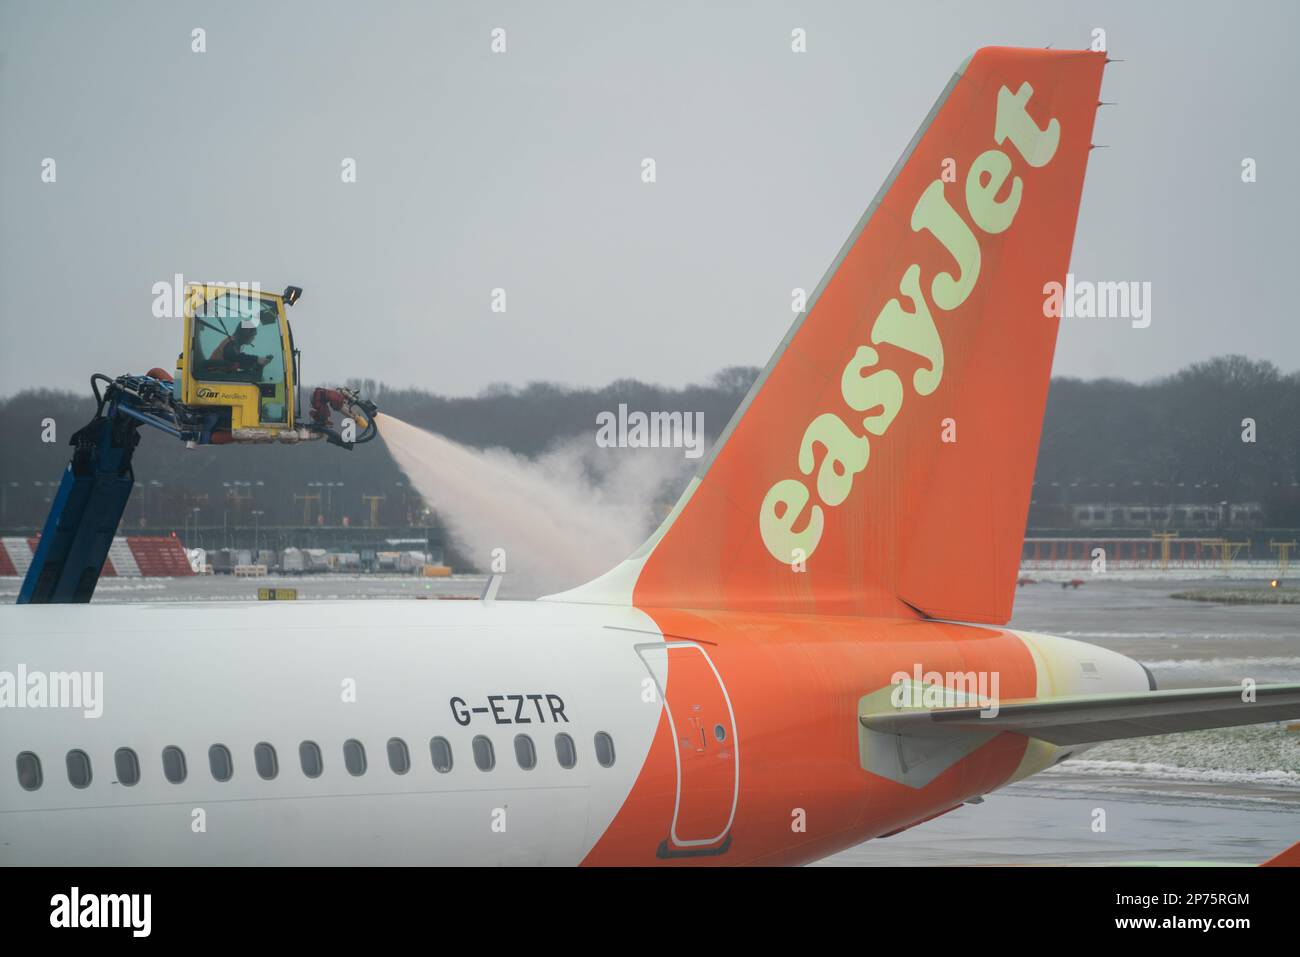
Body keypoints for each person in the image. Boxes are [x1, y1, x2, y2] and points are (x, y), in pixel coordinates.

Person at [207, 320, 272, 376]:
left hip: (220, 376)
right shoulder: (230, 344)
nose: (253, 338)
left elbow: (238, 362)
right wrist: (256, 359)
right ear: (245, 335)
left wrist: (257, 365)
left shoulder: (233, 344)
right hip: (213, 376)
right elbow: (234, 358)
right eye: (253, 335)